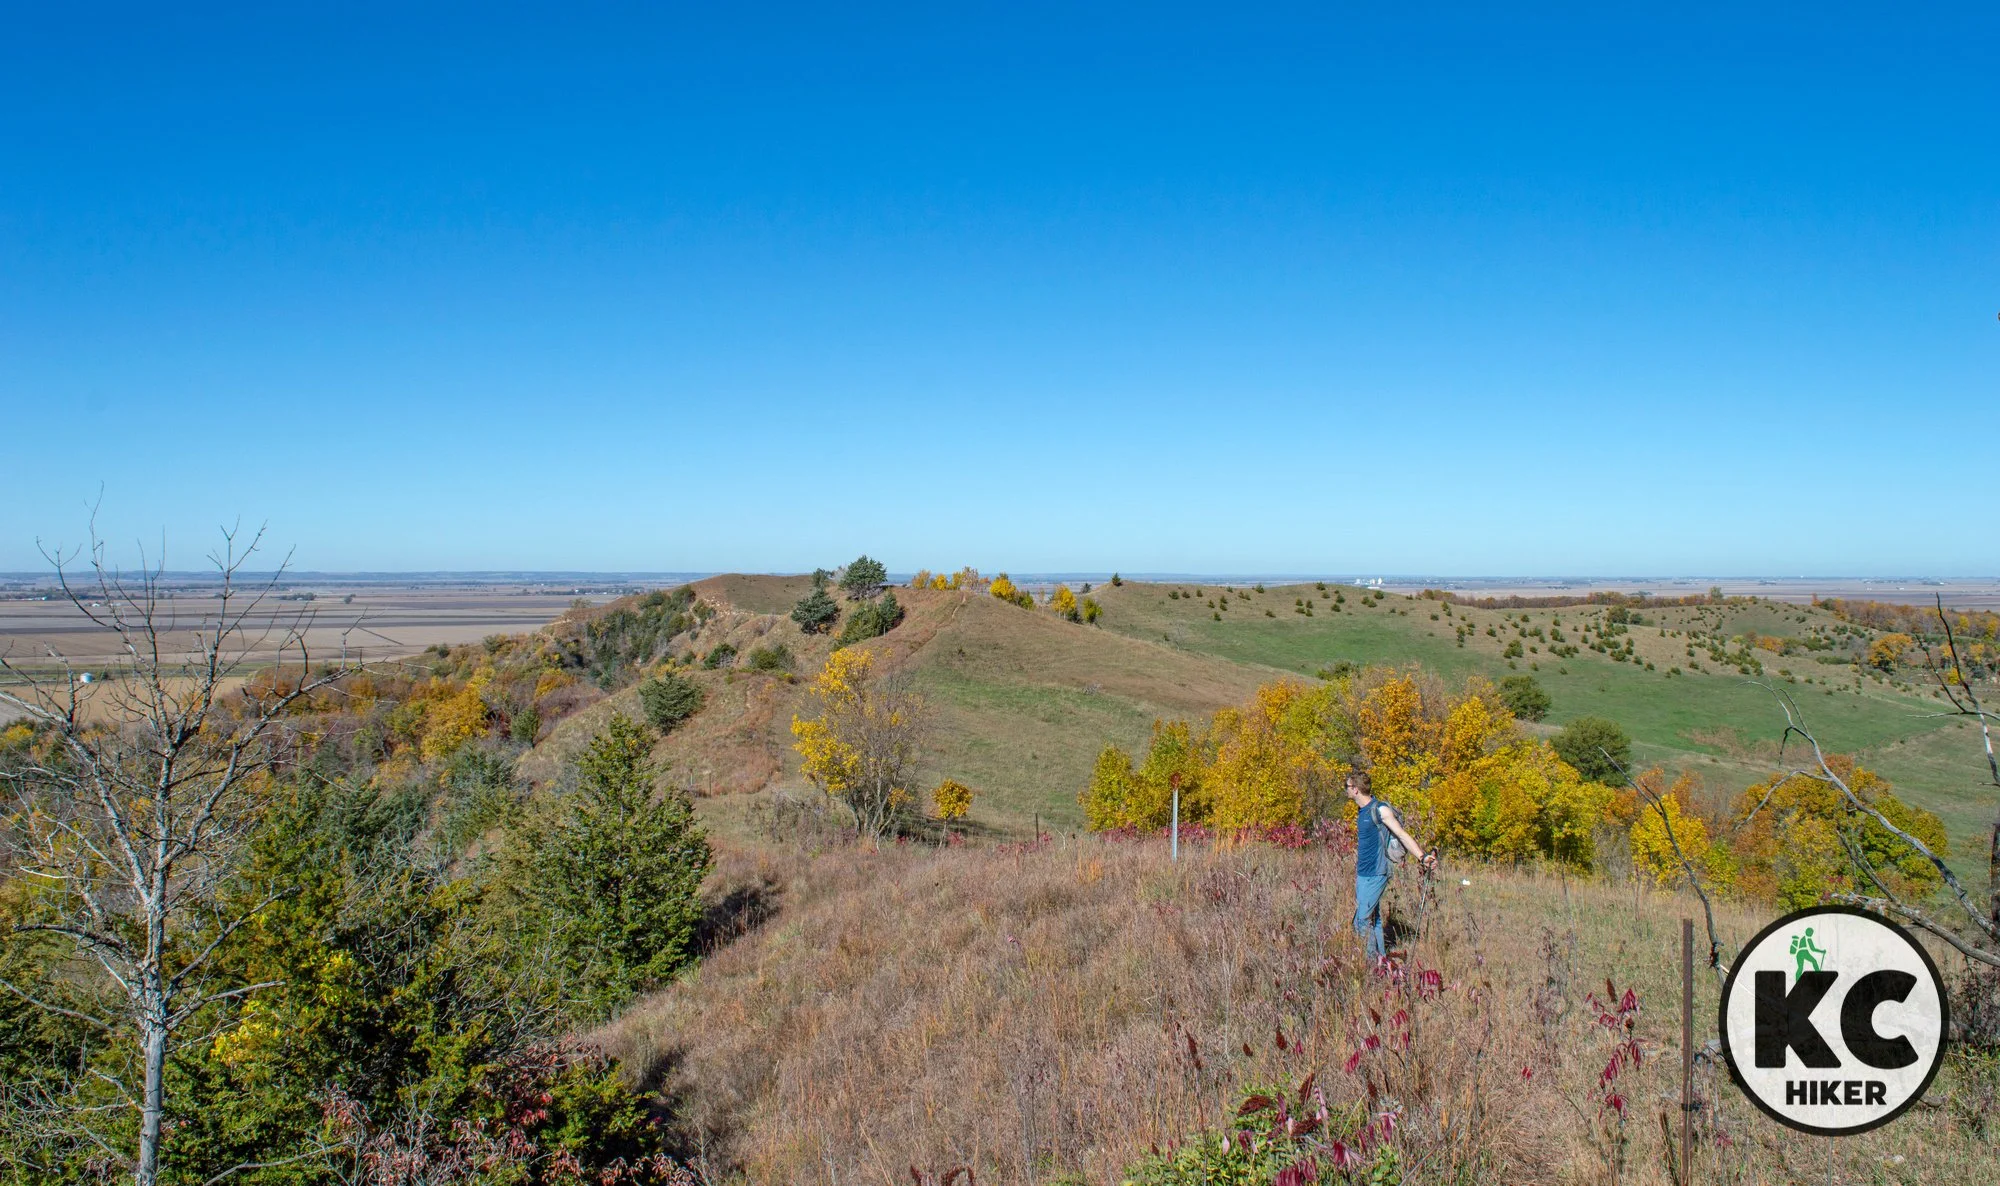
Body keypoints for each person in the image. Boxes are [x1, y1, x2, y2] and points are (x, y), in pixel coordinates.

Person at [1346, 769, 1435, 962]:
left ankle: (1371, 966)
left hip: (1377, 872)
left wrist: (1422, 856)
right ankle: (1382, 961)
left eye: (1347, 786)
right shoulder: (1361, 811)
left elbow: (1402, 834)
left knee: (1361, 921)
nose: (1346, 790)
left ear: (1355, 789)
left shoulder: (1380, 810)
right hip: (1363, 873)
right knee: (1374, 919)